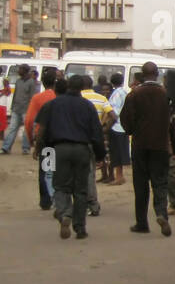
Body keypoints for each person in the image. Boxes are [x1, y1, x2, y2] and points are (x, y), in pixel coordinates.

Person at [30, 75, 106, 240]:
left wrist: (38, 148)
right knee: (80, 190)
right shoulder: (88, 106)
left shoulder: (52, 104)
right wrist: (100, 155)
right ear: (81, 89)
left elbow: (41, 129)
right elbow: (97, 133)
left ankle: (65, 214)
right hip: (82, 150)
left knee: (60, 186)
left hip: (59, 149)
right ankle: (80, 228)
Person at [119, 61, 174, 236]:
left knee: (140, 185)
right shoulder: (166, 95)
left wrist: (132, 131)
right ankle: (161, 214)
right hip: (161, 145)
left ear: (142, 75)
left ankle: (142, 222)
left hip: (140, 145)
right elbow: (173, 123)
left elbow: (126, 119)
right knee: (160, 183)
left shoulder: (134, 95)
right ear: (157, 74)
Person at [23, 68, 58, 210]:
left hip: (45, 139)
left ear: (42, 83)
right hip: (61, 138)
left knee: (46, 169)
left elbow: (29, 121)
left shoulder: (37, 98)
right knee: (60, 170)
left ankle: (46, 200)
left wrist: (31, 140)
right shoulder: (60, 97)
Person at [77, 75, 112, 216]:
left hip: (77, 140)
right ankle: (92, 204)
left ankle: (83, 204)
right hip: (92, 140)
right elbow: (113, 116)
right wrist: (103, 129)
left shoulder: (77, 98)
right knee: (90, 173)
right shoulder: (101, 98)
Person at [2, 64, 37, 155]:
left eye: (20, 69)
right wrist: (12, 107)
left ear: (25, 71)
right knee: (12, 128)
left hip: (26, 109)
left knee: (26, 129)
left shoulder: (31, 82)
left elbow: (32, 97)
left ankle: (25, 148)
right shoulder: (18, 81)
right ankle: (6, 147)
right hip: (16, 109)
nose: (18, 71)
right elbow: (15, 95)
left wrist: (31, 110)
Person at [106, 72, 129, 186]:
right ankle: (119, 176)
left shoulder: (116, 94)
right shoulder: (124, 92)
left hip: (117, 127)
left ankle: (119, 177)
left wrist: (107, 127)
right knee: (118, 153)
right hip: (123, 126)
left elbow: (114, 113)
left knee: (116, 154)